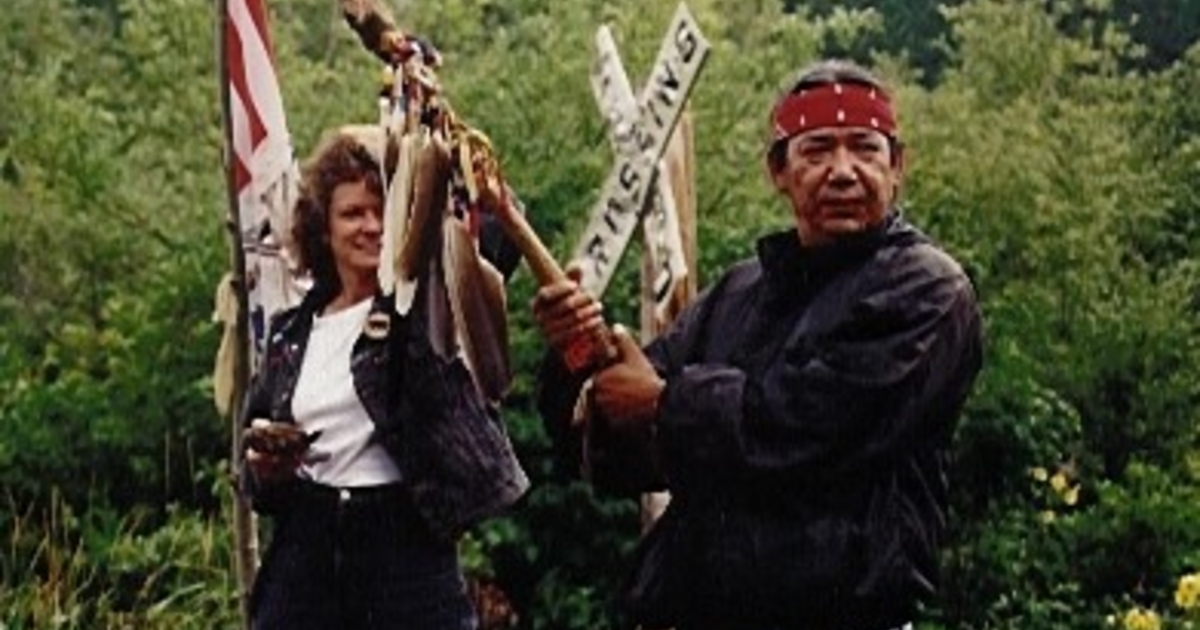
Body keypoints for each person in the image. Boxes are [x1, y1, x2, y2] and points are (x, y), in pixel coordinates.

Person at [533, 59, 984, 630]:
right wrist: (581, 355)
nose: (843, 171)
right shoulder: (741, 292)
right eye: (817, 150)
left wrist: (663, 403)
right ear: (779, 171)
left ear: (897, 167)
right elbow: (627, 435)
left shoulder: (928, 290)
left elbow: (803, 429)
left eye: (864, 149)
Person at [240, 127, 528, 630]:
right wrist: (267, 468)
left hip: (403, 549)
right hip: (305, 551)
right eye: (353, 213)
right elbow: (255, 487)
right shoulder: (291, 334)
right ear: (322, 230)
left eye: (381, 211)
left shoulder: (422, 310)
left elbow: (496, 231)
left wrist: (434, 152)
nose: (370, 226)